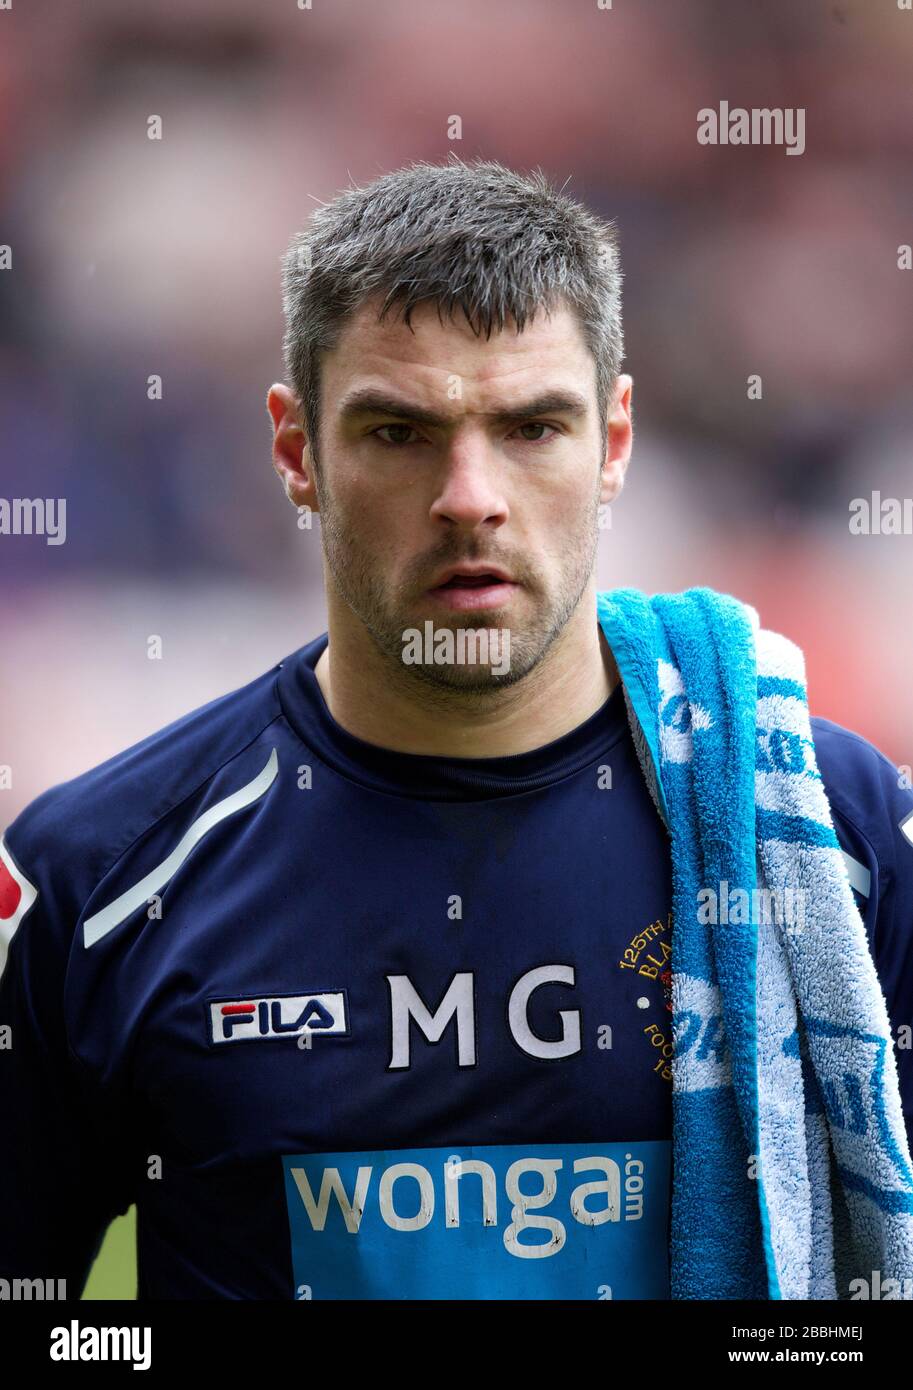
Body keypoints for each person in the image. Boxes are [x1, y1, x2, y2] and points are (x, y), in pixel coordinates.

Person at [1, 156, 911, 1300]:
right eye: (398, 433)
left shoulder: (835, 838)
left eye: (532, 427)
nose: (469, 495)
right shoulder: (102, 876)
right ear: (296, 452)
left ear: (615, 439)